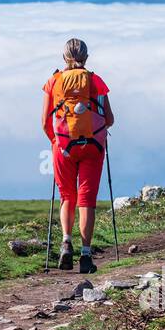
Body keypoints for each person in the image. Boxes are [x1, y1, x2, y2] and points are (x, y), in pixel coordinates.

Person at [42, 38, 112, 273]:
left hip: (63, 146)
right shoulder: (96, 81)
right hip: (93, 146)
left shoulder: (53, 82)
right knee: (87, 199)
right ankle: (86, 255)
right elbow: (109, 118)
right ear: (87, 57)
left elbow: (45, 122)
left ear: (64, 58)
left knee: (67, 196)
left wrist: (56, 142)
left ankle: (66, 243)